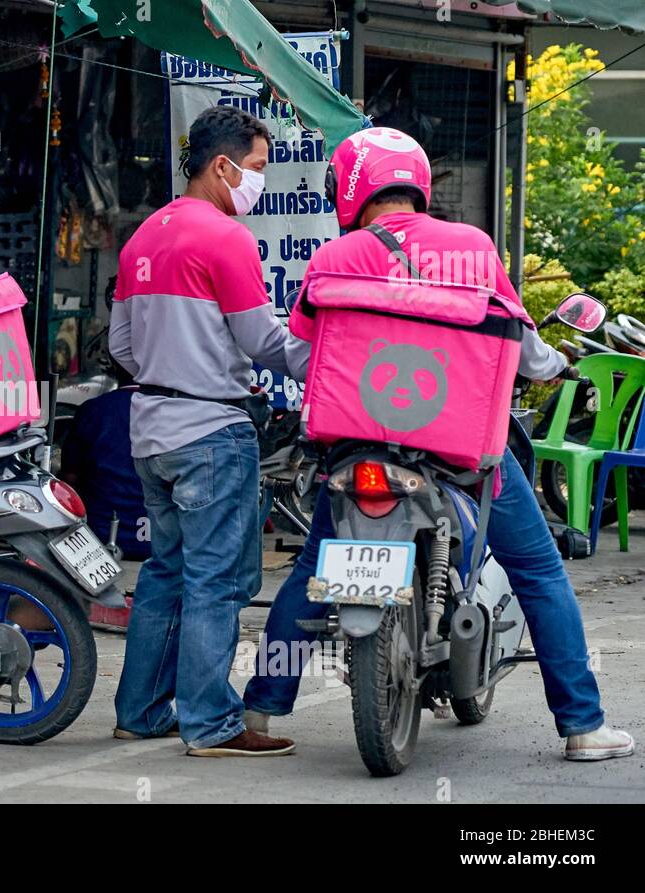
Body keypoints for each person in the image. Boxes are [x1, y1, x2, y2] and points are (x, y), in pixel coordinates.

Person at [244, 126, 635, 762]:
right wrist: (556, 367)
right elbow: (523, 347)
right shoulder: (472, 248)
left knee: (313, 565)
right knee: (538, 569)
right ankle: (583, 727)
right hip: (461, 453)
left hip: (358, 447)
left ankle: (259, 713)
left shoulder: (332, 258)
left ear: (349, 189)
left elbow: (306, 351)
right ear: (417, 183)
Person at [108, 105, 296, 757]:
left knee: (166, 570)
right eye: (256, 168)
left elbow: (122, 346)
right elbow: (264, 342)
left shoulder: (141, 238)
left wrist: (170, 368)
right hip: (212, 430)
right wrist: (334, 355)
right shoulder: (225, 237)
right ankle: (212, 723)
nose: (258, 182)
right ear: (222, 166)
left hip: (150, 429)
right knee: (218, 577)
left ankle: (139, 709)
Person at [60, 359, 150, 560]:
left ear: (113, 366)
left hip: (102, 539)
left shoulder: (93, 410)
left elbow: (69, 479)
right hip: (161, 541)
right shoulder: (174, 413)